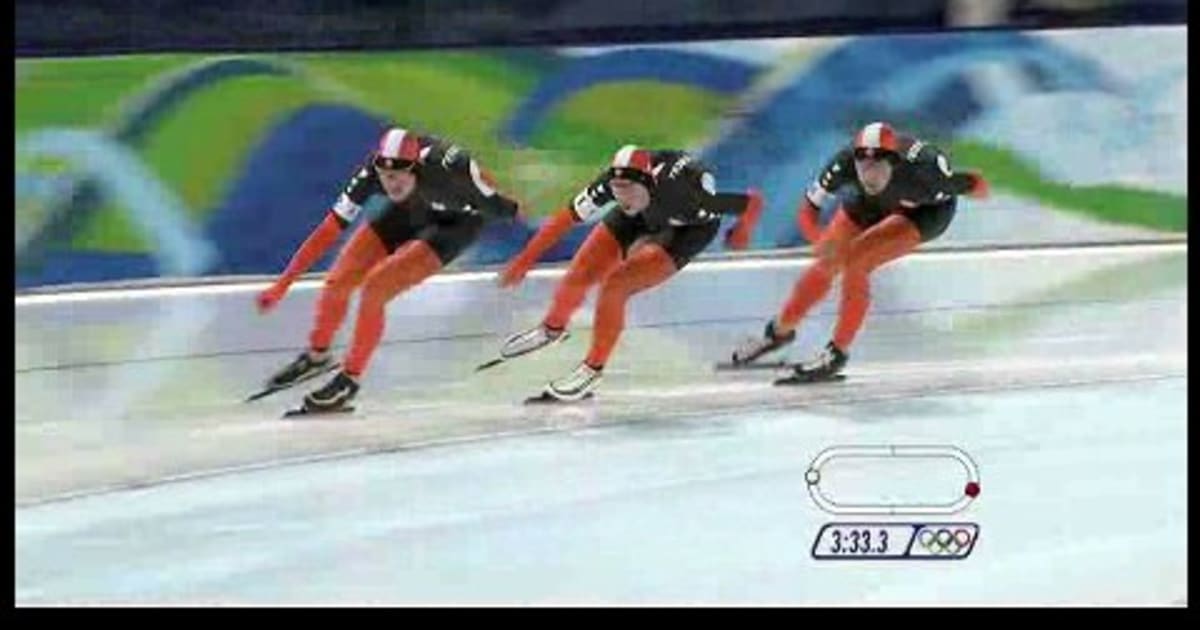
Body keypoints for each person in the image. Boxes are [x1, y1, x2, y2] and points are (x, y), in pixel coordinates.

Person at [256, 126, 519, 412]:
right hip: (409, 210)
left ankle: (348, 381)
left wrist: (525, 247)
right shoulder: (371, 174)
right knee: (341, 276)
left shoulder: (450, 168)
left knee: (375, 289)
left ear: (416, 166)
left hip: (457, 225)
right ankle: (317, 356)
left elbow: (507, 207)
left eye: (401, 173)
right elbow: (327, 231)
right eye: (386, 174)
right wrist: (282, 285)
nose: (392, 181)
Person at [495, 144, 764, 401]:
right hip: (643, 213)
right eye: (617, 190)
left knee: (616, 286)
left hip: (686, 230)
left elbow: (752, 202)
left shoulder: (687, 197)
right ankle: (552, 329)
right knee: (581, 269)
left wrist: (742, 232)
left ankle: (593, 370)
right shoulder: (617, 190)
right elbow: (565, 218)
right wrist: (525, 259)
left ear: (648, 183)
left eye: (629, 190)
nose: (622, 198)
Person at [729, 121, 989, 381]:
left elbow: (975, 183)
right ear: (854, 161)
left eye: (878, 168)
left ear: (895, 163)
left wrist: (988, 199)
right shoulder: (842, 164)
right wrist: (819, 242)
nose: (870, 175)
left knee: (857, 262)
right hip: (870, 203)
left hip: (924, 212)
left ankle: (836, 354)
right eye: (863, 167)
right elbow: (807, 211)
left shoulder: (927, 176)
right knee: (825, 264)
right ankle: (777, 333)